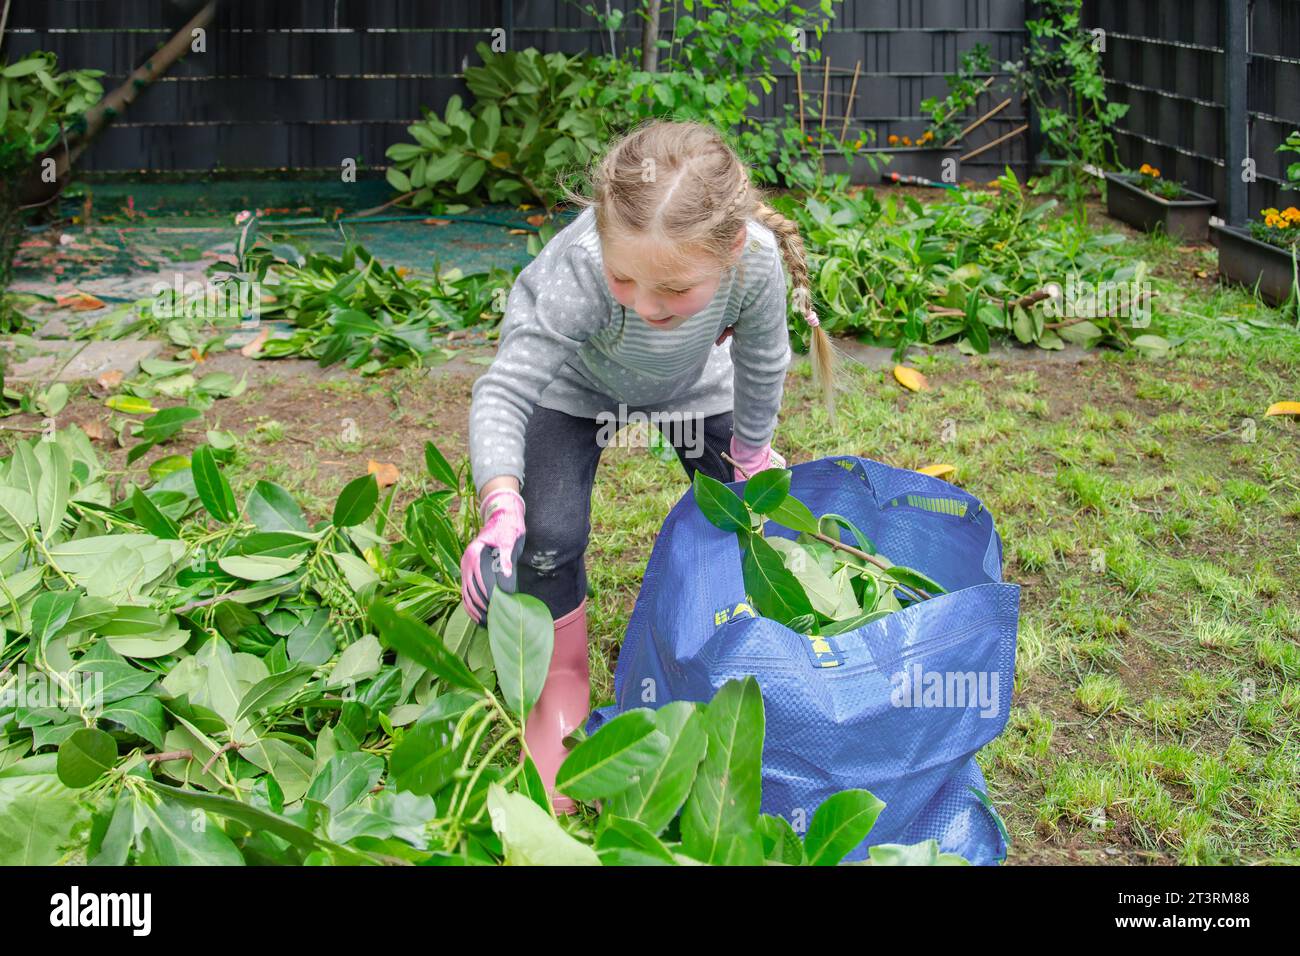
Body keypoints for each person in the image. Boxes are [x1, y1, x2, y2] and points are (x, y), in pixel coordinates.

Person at [459, 119, 836, 813]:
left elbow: (760, 361)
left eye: (674, 291)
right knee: (550, 539)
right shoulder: (580, 268)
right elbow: (506, 388)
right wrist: (500, 508)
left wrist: (751, 455)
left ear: (727, 252)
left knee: (748, 516)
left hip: (692, 387)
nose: (642, 303)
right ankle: (561, 689)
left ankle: (737, 657)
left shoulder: (752, 263)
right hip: (572, 393)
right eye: (623, 277)